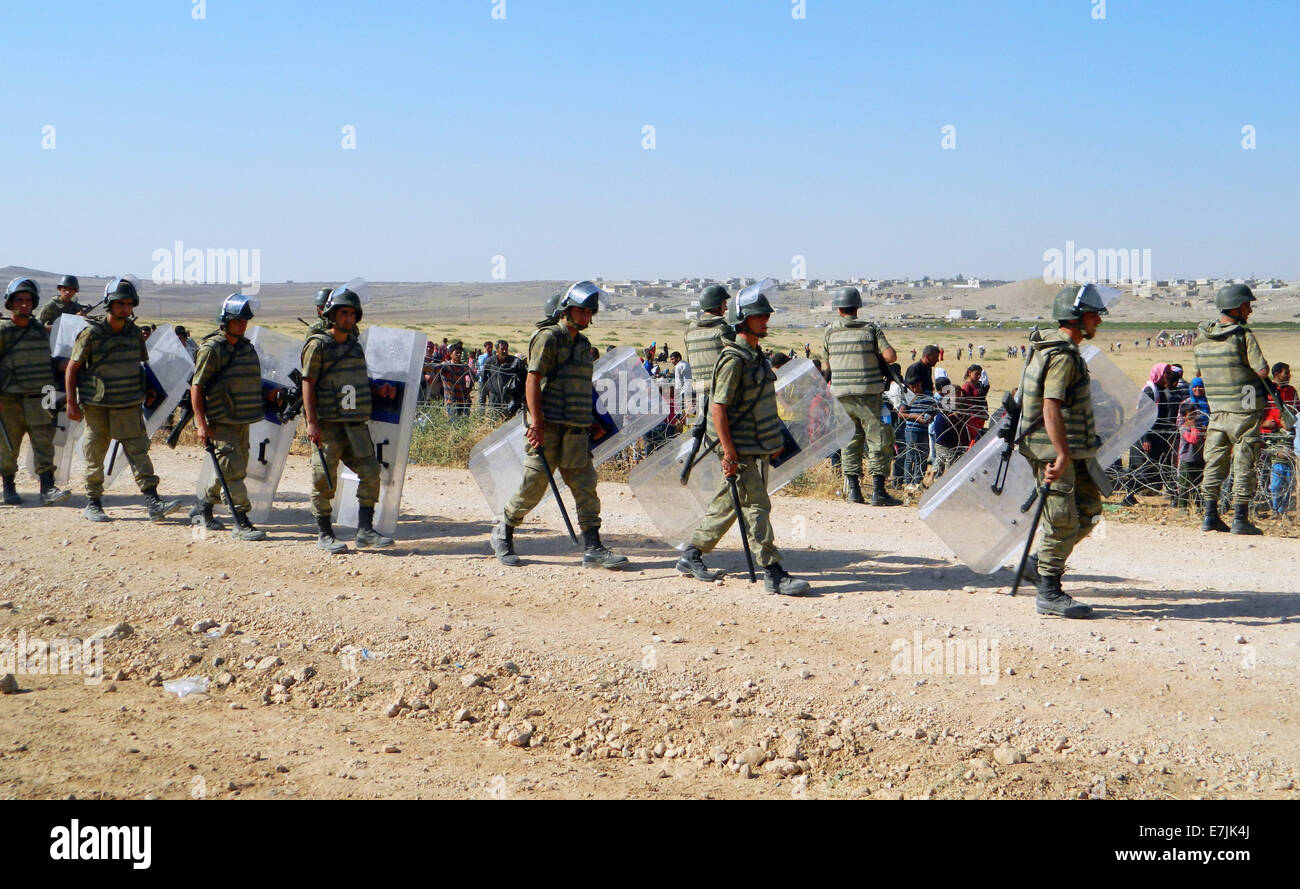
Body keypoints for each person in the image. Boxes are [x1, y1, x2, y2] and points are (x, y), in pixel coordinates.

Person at [676, 281, 810, 595]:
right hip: (740, 448)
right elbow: (719, 408)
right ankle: (773, 572)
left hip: (755, 445)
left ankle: (691, 554)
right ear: (742, 319)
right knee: (757, 507)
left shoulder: (754, 355)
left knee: (728, 503)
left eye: (766, 315)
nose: (766, 320)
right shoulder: (733, 359)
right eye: (759, 316)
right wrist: (728, 452)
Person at [491, 282, 627, 570]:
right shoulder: (549, 337)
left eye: (591, 311)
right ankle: (503, 531)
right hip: (549, 428)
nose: (587, 316)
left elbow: (579, 387)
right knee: (533, 487)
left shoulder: (583, 345)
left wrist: (591, 421)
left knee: (586, 487)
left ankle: (593, 548)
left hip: (576, 431)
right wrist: (536, 423)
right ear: (567, 310)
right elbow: (532, 379)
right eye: (582, 310)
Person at [1016, 284, 1110, 619]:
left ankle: (1037, 565)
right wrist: (1060, 454)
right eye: (1093, 314)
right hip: (1053, 454)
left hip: (1073, 452)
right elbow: (1051, 405)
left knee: (1089, 512)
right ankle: (1049, 593)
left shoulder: (1061, 350)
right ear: (1076, 317)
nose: (1099, 319)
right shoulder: (1063, 356)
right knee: (1061, 521)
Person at [64, 277, 183, 523]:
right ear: (109, 304)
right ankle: (93, 503)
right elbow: (72, 368)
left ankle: (153, 501)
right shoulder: (92, 334)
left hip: (128, 403)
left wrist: (148, 388)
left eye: (129, 304)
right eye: (120, 304)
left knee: (139, 452)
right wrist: (71, 402)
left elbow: (140, 366)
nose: (125, 309)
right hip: (97, 405)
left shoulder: (133, 333)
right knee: (95, 454)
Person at [301, 285, 395, 552]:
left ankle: (365, 531)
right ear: (332, 314)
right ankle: (325, 533)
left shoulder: (355, 347)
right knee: (324, 478)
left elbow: (355, 380)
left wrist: (377, 390)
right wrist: (311, 422)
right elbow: (308, 382)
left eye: (353, 314)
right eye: (343, 313)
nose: (348, 318)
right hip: (328, 424)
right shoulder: (317, 345)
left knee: (370, 472)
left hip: (354, 424)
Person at [1193, 284, 1276, 535]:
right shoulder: (1243, 335)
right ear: (1237, 306)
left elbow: (1197, 373)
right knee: (1244, 461)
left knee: (1214, 462)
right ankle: (1240, 518)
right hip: (1245, 408)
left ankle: (1209, 516)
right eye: (1247, 305)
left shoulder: (1202, 339)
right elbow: (1262, 371)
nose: (1249, 310)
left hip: (1217, 411)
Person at [187, 294, 271, 540]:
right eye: (238, 320)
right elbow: (197, 387)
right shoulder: (212, 349)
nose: (243, 324)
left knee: (230, 465)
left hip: (241, 417)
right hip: (221, 419)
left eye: (245, 320)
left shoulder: (246, 347)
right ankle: (241, 521)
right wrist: (201, 424)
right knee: (233, 470)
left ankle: (203, 508)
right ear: (225, 321)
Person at [820, 286, 900, 506]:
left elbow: (827, 366)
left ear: (838, 309)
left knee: (850, 441)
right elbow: (891, 357)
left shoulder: (830, 332)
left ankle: (854, 491)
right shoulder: (870, 329)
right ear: (858, 308)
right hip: (868, 395)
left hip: (841, 396)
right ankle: (878, 491)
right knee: (878, 440)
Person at [0, 278, 72, 506]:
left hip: (40, 399)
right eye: (19, 300)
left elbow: (48, 360)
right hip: (9, 401)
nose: (24, 304)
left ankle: (47, 488)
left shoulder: (41, 331)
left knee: (44, 446)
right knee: (7, 447)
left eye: (28, 300)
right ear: (10, 303)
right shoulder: (3, 332)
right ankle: (9, 489)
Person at [684, 284, 733, 419]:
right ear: (717, 305)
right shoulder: (723, 329)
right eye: (724, 304)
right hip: (721, 392)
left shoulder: (690, 331)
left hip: (700, 391)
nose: (726, 308)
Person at [898, 366, 939, 486]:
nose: (914, 389)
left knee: (922, 456)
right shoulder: (909, 395)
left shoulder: (928, 395)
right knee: (911, 456)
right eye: (912, 387)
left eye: (916, 386)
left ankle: (918, 482)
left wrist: (931, 417)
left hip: (923, 430)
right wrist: (915, 416)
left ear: (920, 383)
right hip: (911, 430)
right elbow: (901, 414)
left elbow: (935, 409)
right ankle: (908, 482)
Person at [1174, 396, 1207, 511]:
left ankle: (1198, 504)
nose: (1193, 417)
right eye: (1190, 415)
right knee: (1184, 484)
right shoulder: (1183, 429)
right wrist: (1193, 427)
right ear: (1184, 416)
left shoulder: (1199, 427)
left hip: (1198, 459)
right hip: (1186, 460)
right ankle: (1182, 506)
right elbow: (1193, 440)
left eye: (1194, 414)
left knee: (1197, 484)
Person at [479, 339, 526, 418]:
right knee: (494, 418)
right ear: (497, 350)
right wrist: (485, 393)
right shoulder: (490, 361)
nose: (505, 351)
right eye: (502, 349)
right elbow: (483, 378)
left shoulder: (514, 361)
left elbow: (523, 376)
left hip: (509, 396)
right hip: (494, 395)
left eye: (506, 349)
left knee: (508, 418)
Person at [438, 340, 474, 419]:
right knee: (454, 423)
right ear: (450, 354)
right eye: (456, 353)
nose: (459, 355)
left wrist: (467, 390)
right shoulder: (446, 366)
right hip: (452, 401)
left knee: (464, 423)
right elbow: (434, 369)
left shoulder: (464, 367)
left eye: (460, 353)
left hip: (464, 400)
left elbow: (473, 379)